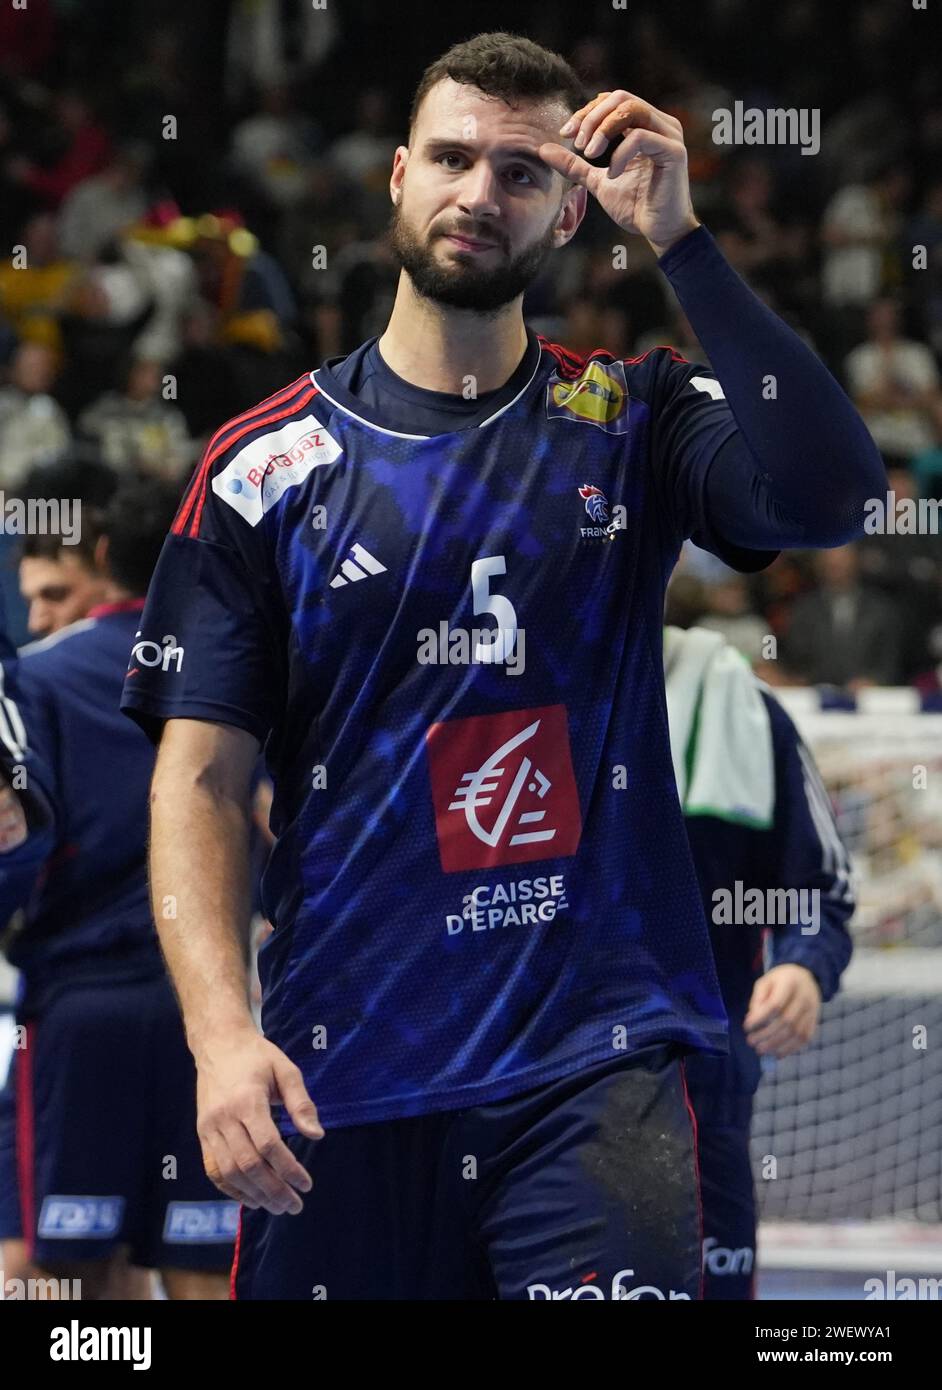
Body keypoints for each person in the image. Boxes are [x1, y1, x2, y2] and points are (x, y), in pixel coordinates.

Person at [121, 33, 885, 1301]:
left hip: (598, 1062)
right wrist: (219, 1037)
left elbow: (834, 494)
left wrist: (684, 242)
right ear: (397, 180)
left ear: (575, 207)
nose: (482, 192)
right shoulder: (264, 468)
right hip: (345, 1065)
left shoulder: (633, 417)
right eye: (453, 157)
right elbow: (197, 782)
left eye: (524, 172)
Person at [6, 482, 238, 1299]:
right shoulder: (234, 665)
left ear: (101, 554)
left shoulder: (36, 682)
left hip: (85, 1014)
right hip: (217, 1021)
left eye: (51, 594)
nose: (38, 617)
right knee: (204, 1268)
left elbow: (16, 852)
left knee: (56, 1275)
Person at [663, 624, 854, 1299]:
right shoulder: (525, 695)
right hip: (539, 1084)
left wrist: (803, 965)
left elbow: (819, 893)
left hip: (699, 1088)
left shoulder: (744, 711)